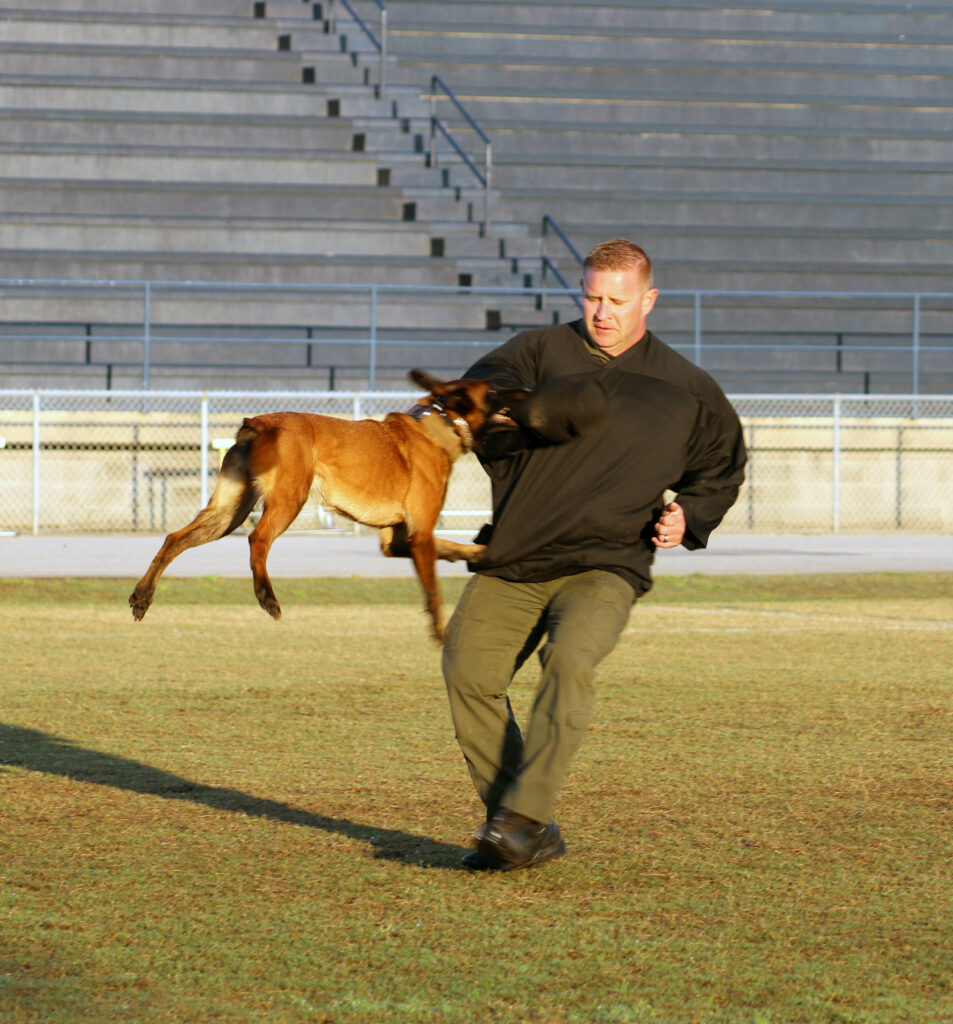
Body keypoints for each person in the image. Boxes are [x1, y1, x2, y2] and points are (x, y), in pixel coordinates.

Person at [441, 238, 747, 872]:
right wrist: (516, 408)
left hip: (608, 564)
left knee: (570, 660)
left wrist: (689, 513)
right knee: (469, 674)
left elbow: (722, 466)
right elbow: (476, 395)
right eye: (591, 296)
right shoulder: (537, 351)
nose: (602, 311)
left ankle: (520, 820)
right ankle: (523, 826)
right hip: (517, 555)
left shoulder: (687, 388)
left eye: (617, 299)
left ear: (649, 299)